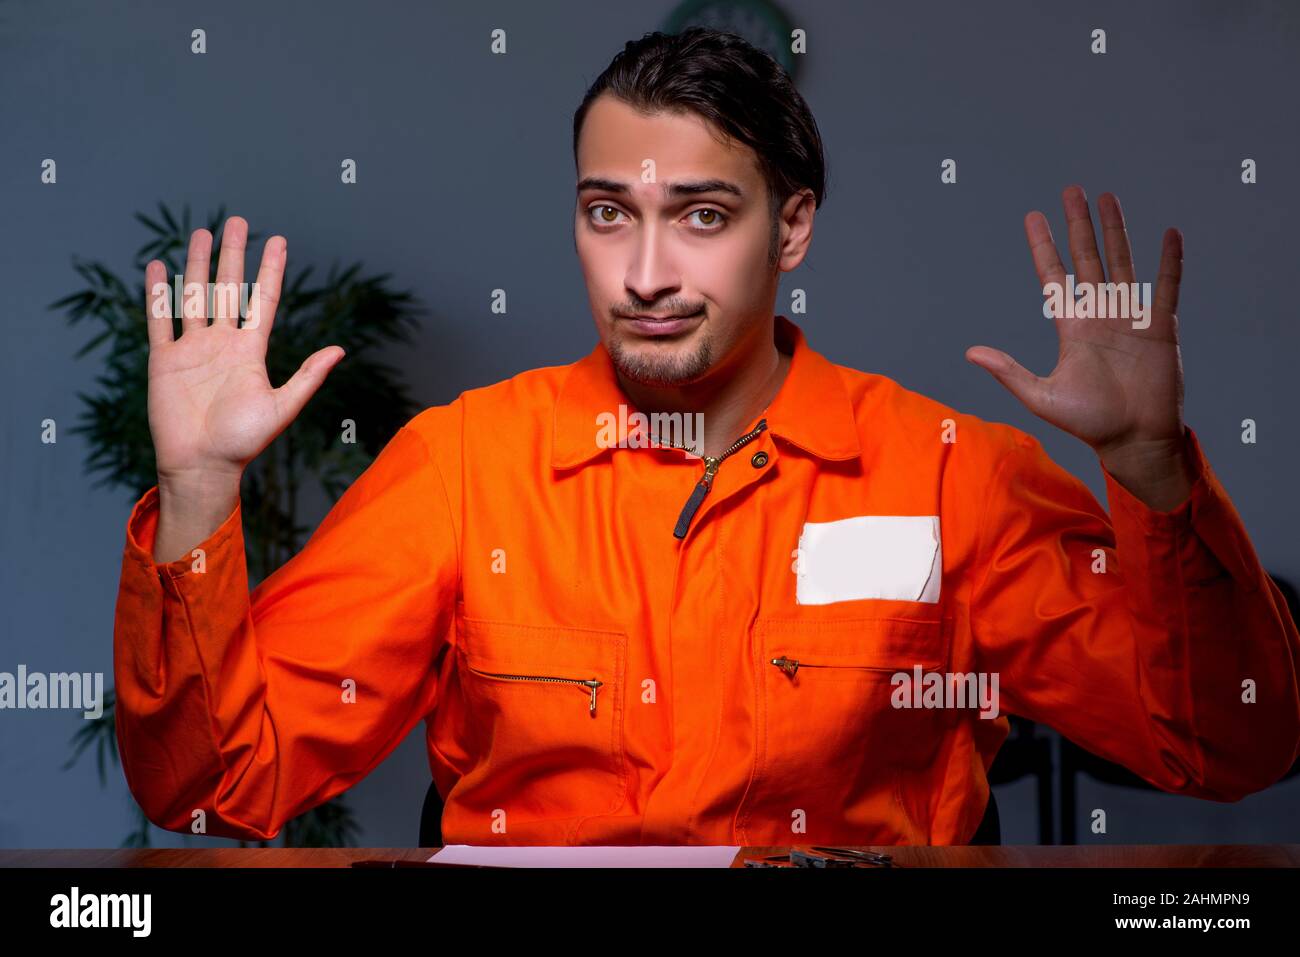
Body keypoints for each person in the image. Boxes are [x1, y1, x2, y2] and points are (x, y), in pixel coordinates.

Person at [113, 27, 1300, 846]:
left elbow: (1227, 748)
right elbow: (216, 790)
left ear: (789, 230)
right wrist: (200, 489)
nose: (643, 274)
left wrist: (1149, 472)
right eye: (605, 215)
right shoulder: (464, 466)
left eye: (700, 217)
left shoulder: (952, 477)